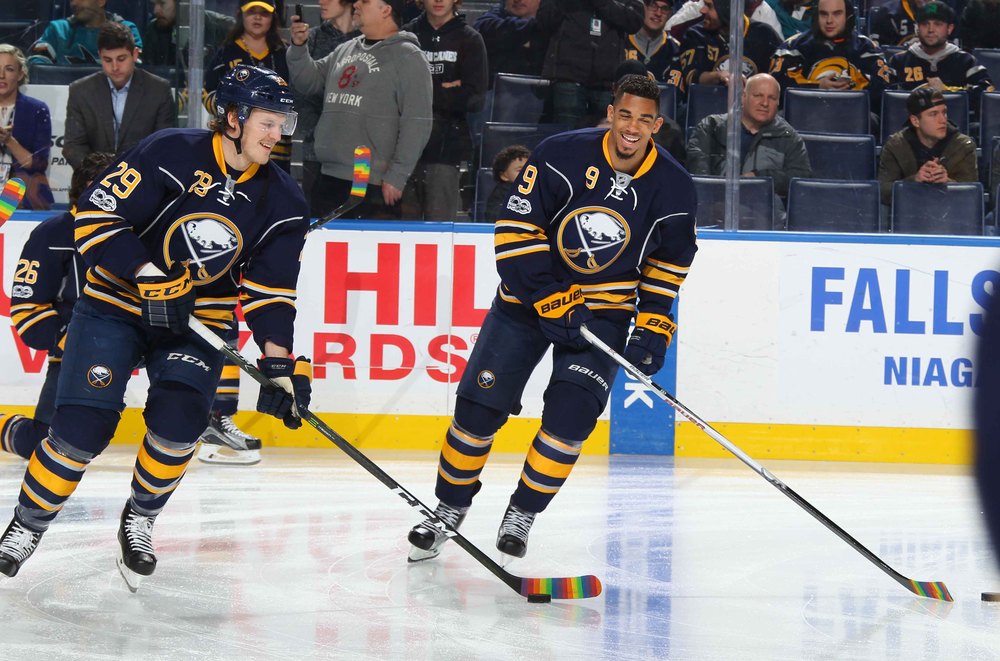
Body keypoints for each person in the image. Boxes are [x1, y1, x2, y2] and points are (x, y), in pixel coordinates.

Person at [0, 65, 312, 592]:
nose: (278, 134)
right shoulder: (169, 152)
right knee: (80, 428)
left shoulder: (284, 201)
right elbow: (95, 220)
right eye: (268, 121)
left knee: (179, 424)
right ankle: (24, 527)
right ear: (234, 119)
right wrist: (150, 279)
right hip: (115, 302)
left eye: (283, 123)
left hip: (199, 317)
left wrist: (280, 367)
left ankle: (140, 519)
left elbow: (271, 292)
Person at [406, 74, 698, 563]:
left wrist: (653, 324)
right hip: (526, 301)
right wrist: (549, 296)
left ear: (657, 124)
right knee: (477, 410)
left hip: (604, 311)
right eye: (624, 114)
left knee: (572, 416)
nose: (632, 127)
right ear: (611, 113)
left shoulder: (673, 186)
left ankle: (522, 512)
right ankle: (447, 509)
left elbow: (668, 263)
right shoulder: (560, 153)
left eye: (644, 119)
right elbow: (516, 233)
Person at [0, 152, 116, 461]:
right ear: (87, 187)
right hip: (71, 360)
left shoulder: (134, 232)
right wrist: (70, 341)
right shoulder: (53, 234)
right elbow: (27, 307)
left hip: (122, 353)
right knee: (48, 446)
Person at [287, 0, 433, 220]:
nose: (356, 4)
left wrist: (397, 175)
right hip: (328, 174)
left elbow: (417, 121)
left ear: (386, 10)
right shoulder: (346, 48)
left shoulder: (409, 56)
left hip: (370, 181)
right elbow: (309, 81)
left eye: (365, 1)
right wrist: (299, 47)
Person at [401, 0, 488, 221]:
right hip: (403, 147)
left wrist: (422, 91)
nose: (439, 1)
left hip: (446, 147)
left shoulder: (470, 39)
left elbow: (475, 99)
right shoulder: (406, 36)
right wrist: (446, 89)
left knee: (438, 228)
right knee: (402, 228)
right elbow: (395, 90)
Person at [62, 23, 176, 172]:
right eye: (107, 60)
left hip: (143, 181)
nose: (114, 67)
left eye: (121, 59)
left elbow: (164, 145)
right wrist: (99, 175)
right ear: (99, 56)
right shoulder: (81, 91)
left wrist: (130, 177)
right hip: (93, 181)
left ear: (135, 54)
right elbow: (73, 147)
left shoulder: (158, 90)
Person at [204, 0, 294, 172]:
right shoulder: (226, 52)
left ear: (273, 18)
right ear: (241, 14)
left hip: (277, 150)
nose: (258, 17)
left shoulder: (285, 52)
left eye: (264, 12)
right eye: (252, 11)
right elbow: (207, 92)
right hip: (236, 146)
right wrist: (231, 110)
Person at [687, 73, 810, 197]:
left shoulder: (788, 137)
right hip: (714, 205)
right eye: (758, 96)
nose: (765, 103)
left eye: (772, 98)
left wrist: (759, 178)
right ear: (743, 97)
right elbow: (698, 170)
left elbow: (800, 177)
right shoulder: (711, 126)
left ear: (778, 102)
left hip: (764, 211)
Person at [534, 0, 645, 128]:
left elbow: (634, 21)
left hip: (607, 82)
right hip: (568, 77)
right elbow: (544, 21)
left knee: (602, 140)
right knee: (568, 137)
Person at [295, 0, 359, 207]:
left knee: (360, 216)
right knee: (317, 216)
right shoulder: (311, 38)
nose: (321, 1)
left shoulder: (367, 39)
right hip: (318, 151)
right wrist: (315, 133)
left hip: (359, 153)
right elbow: (300, 93)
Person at [770, 0, 894, 107]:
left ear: (848, 16)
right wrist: (817, 87)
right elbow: (776, 86)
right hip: (803, 114)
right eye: (824, 14)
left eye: (837, 14)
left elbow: (884, 88)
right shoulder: (793, 47)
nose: (829, 20)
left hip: (854, 116)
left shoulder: (866, 48)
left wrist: (850, 89)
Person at [887, 2, 994, 122]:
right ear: (917, 28)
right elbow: (886, 97)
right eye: (925, 24)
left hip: (955, 128)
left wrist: (946, 90)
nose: (931, 30)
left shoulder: (966, 61)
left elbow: (986, 94)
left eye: (938, 24)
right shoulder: (899, 61)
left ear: (950, 28)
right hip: (909, 128)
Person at [877, 86, 978, 206]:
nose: (943, 120)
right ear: (915, 121)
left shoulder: (963, 146)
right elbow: (883, 191)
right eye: (933, 114)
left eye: (944, 112)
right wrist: (914, 180)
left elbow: (972, 195)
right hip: (908, 215)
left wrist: (949, 183)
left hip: (951, 214)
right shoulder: (895, 146)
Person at [667, 0, 782, 97]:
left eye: (709, 6)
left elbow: (777, 82)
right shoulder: (696, 34)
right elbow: (691, 77)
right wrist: (719, 76)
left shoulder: (765, 35)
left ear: (726, 10)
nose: (702, 10)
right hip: (709, 108)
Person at [0, 44, 54, 211]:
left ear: (20, 74)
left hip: (23, 195)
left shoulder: (36, 110)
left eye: (9, 69)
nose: (1, 76)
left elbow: (39, 164)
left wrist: (9, 141)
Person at [27, 0, 143, 66]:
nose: (74, 3)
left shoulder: (126, 29)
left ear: (101, 1)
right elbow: (37, 62)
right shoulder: (57, 29)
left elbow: (136, 67)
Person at [142, 0, 235, 68]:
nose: (155, 10)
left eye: (162, 3)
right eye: (154, 4)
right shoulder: (153, 29)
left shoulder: (223, 27)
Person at [626, 0, 679, 82]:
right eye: (653, 5)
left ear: (669, 14)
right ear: (641, 6)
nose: (658, 13)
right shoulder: (621, 40)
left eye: (664, 8)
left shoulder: (676, 50)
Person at [484, 143, 529, 223]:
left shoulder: (539, 191)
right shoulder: (500, 195)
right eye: (520, 170)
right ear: (504, 175)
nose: (526, 174)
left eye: (528, 170)